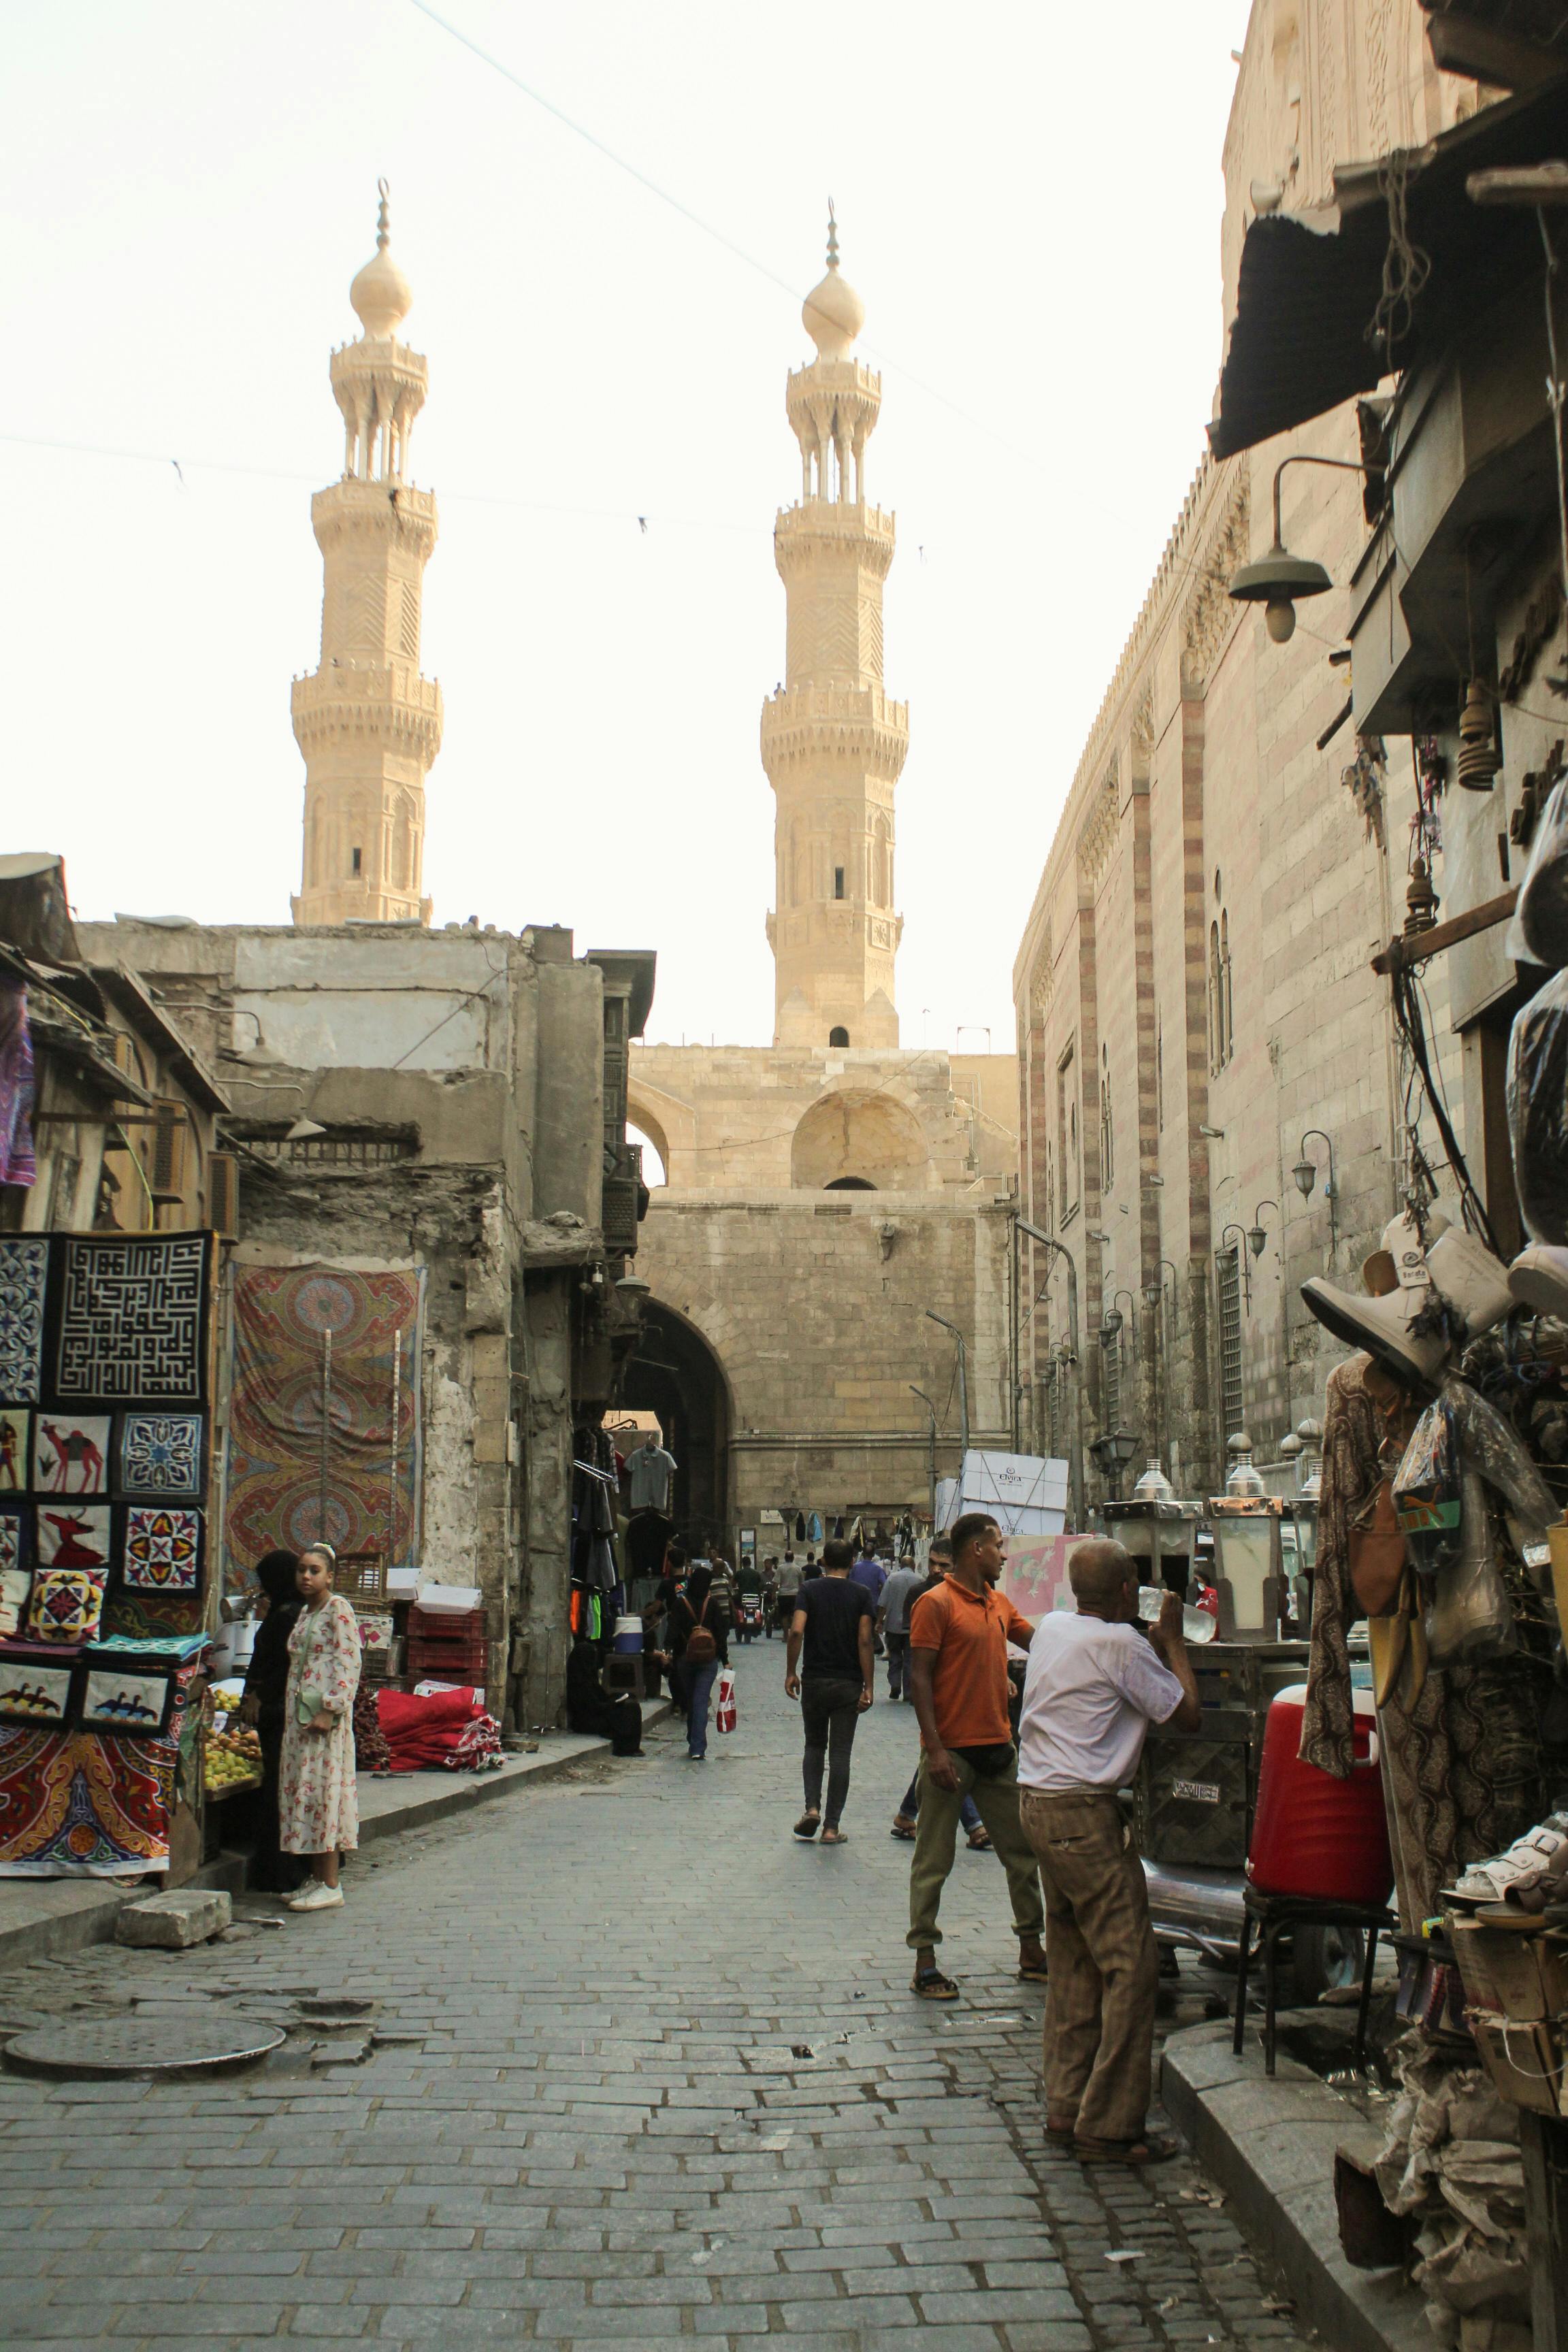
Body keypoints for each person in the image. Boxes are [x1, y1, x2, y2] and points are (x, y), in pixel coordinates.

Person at [1017, 1539, 1198, 2165]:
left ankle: (1065, 2105)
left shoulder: (1053, 1629)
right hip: (1082, 1816)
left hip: (1037, 1807)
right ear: (1126, 1592)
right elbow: (1186, 1715)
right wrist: (1170, 1640)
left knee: (1073, 1960)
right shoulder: (1123, 1645)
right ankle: (1111, 2122)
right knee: (1130, 1964)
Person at [905, 1512, 1048, 1998]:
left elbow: (1040, 1642)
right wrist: (936, 1748)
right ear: (976, 1551)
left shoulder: (999, 1603)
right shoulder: (935, 1604)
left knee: (1022, 1854)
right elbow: (919, 1677)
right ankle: (925, 1959)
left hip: (998, 1751)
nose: (1005, 1555)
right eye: (999, 1546)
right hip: (952, 1754)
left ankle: (1032, 1949)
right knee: (933, 1860)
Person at [278, 1543, 361, 1912]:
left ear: (330, 1576)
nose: (306, 1577)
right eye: (301, 1570)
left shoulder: (338, 1609)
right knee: (306, 1796)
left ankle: (331, 1883)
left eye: (314, 1570)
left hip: (323, 1722)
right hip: (299, 1720)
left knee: (324, 1794)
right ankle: (314, 1878)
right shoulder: (305, 1612)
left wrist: (332, 1709)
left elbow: (349, 1662)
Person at [891, 1536, 988, 1850]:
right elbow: (916, 1650)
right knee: (948, 1759)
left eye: (943, 1565)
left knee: (938, 1759)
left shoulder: (976, 1595)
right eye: (932, 1563)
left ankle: (907, 1814)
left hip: (964, 1690)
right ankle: (974, 1825)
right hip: (934, 1692)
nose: (935, 1569)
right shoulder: (922, 1594)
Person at [785, 1536, 874, 1844]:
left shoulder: (809, 1590)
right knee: (840, 1755)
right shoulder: (862, 1594)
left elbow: (797, 1630)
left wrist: (790, 1672)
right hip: (848, 1684)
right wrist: (869, 1686)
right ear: (852, 1563)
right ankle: (832, 1827)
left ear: (822, 1561)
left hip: (814, 1682)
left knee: (813, 1746)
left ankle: (811, 1807)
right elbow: (865, 1641)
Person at [237, 1548, 306, 1895]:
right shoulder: (292, 1611)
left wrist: (258, 1695)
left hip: (280, 1712)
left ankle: (280, 1872)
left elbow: (280, 1665)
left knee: (279, 1790)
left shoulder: (286, 1615)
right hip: (283, 1710)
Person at [670, 1563, 727, 1760]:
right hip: (708, 1660)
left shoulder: (680, 1603)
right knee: (701, 1700)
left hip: (685, 1659)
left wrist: (670, 1652)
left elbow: (672, 1631)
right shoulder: (711, 1604)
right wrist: (725, 1659)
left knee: (691, 1699)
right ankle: (697, 1747)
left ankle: (693, 1739)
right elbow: (721, 1633)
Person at [878, 1552, 926, 1701]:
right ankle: (909, 1691)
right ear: (913, 1566)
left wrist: (879, 1621)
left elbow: (882, 1603)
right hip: (913, 1626)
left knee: (895, 1655)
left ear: (901, 1565)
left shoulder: (892, 1579)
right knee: (910, 1659)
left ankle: (895, 1684)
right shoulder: (920, 1580)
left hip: (893, 1625)